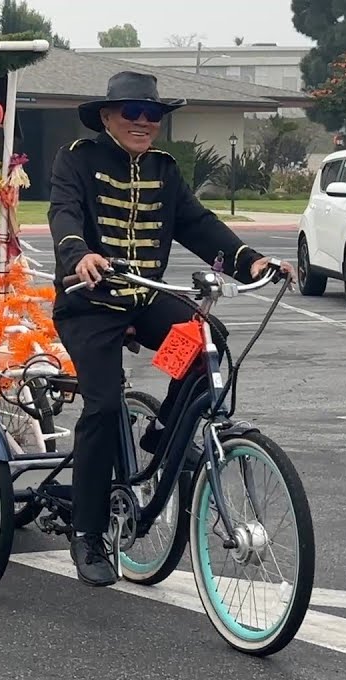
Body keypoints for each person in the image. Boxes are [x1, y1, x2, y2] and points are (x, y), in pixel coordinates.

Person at [48, 71, 294, 587]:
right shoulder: (78, 158)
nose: (143, 122)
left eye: (152, 114)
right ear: (109, 117)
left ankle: (162, 434)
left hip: (145, 299)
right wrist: (79, 254)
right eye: (132, 113)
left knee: (208, 343)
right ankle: (87, 533)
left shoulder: (164, 169)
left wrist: (250, 260)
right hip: (90, 301)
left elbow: (198, 224)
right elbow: (64, 213)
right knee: (103, 403)